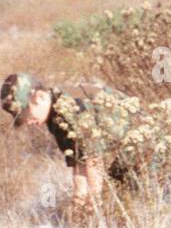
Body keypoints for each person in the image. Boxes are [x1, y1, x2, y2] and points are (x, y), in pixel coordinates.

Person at [2, 73, 146, 208]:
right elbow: (78, 159)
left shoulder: (69, 107)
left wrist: (94, 201)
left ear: (40, 97)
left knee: (130, 197)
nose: (27, 121)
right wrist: (79, 197)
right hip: (124, 153)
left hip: (145, 151)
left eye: (26, 114)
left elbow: (93, 158)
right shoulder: (55, 115)